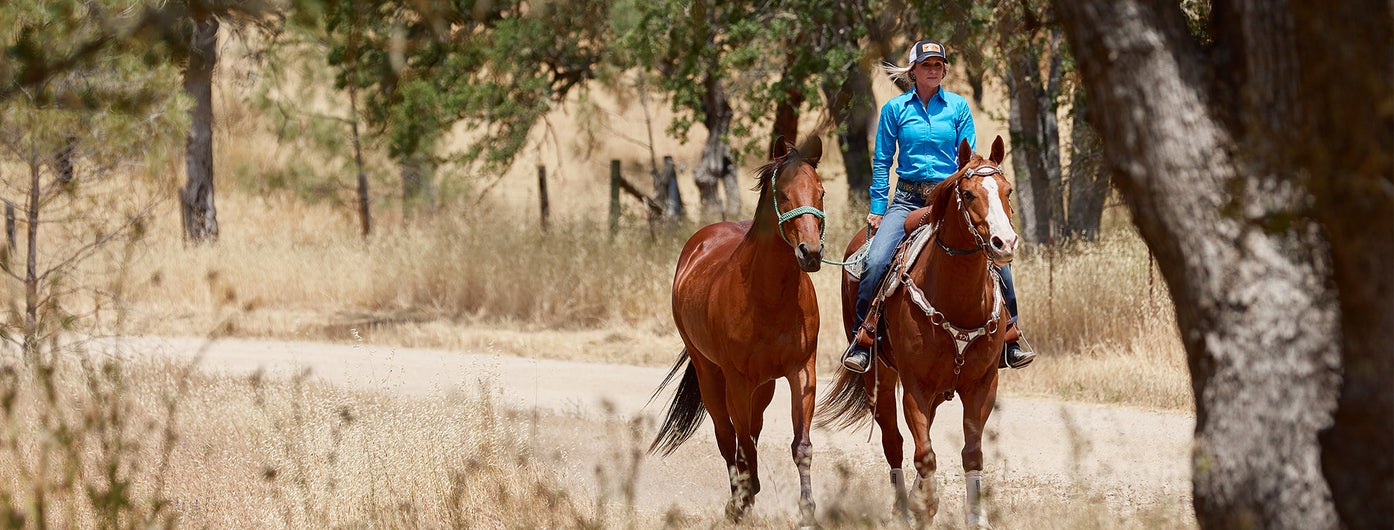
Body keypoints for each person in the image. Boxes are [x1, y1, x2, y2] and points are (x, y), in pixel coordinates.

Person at [841, 39, 1036, 373]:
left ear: (943, 69)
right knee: (875, 261)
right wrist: (877, 207)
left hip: (951, 199)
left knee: (998, 258)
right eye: (926, 65)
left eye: (938, 65)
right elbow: (882, 161)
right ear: (913, 71)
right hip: (907, 199)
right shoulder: (895, 110)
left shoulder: (958, 108)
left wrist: (968, 193)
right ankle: (865, 338)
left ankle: (1010, 335)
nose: (933, 70)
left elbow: (968, 160)